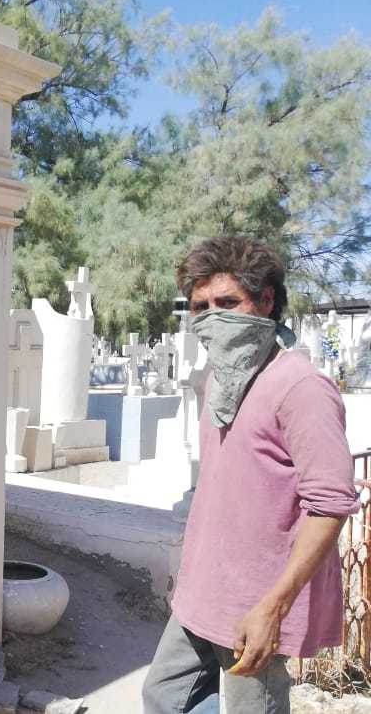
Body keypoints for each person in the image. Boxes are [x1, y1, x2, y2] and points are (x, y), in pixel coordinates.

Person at [142, 236, 360, 713]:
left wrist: (273, 607)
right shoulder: (222, 379)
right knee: (164, 697)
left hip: (256, 601)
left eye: (227, 303)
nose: (211, 317)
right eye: (201, 306)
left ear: (265, 302)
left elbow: (330, 505)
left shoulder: (301, 387)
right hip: (203, 590)